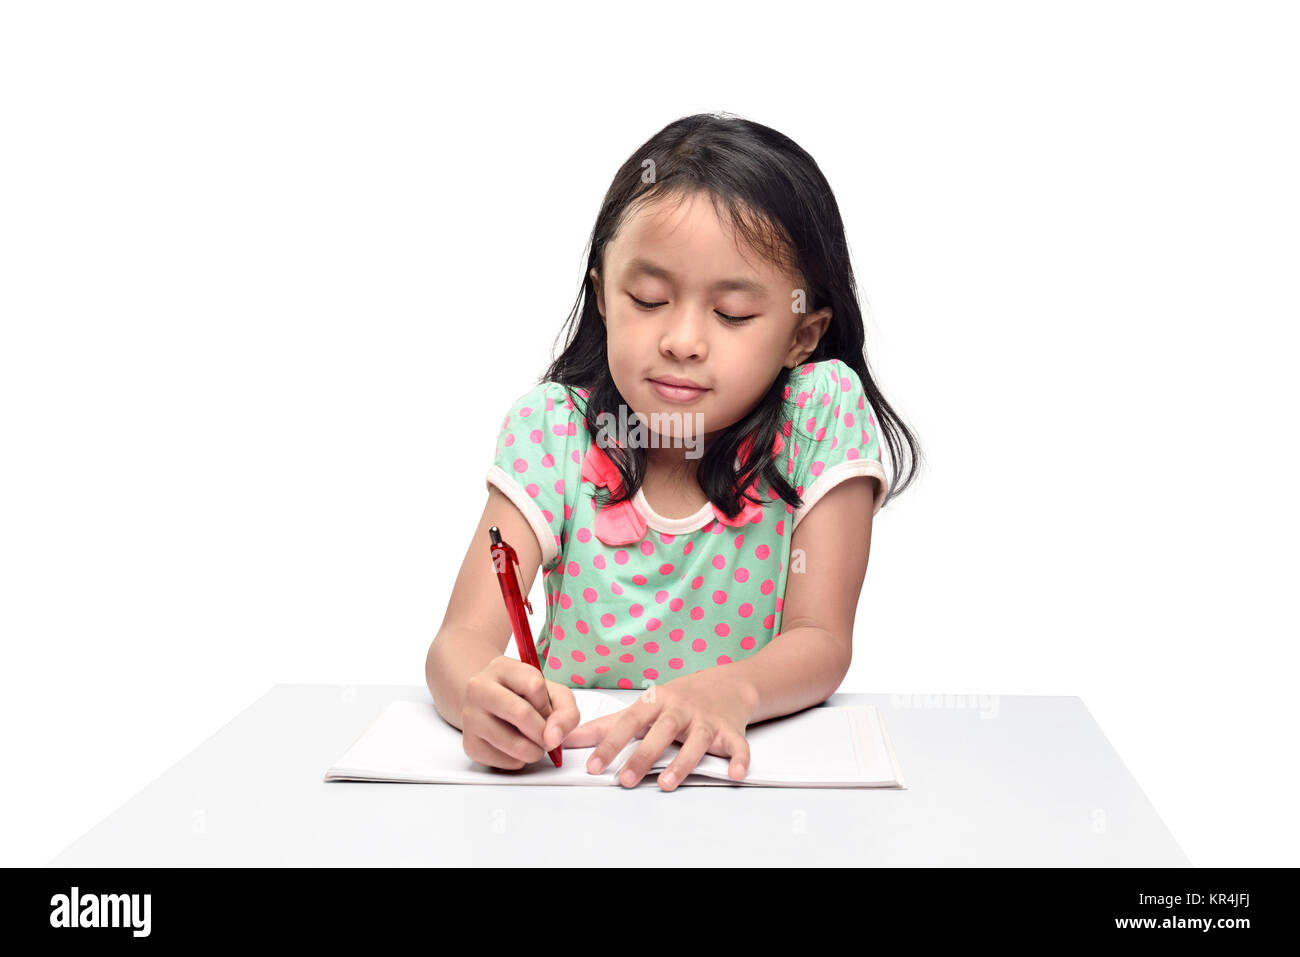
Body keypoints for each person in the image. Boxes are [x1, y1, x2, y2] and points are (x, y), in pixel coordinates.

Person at [426, 112, 921, 791]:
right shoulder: (554, 429)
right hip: (581, 791)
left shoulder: (819, 414)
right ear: (602, 296)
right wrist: (481, 693)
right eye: (649, 298)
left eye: (733, 314)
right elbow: (458, 642)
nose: (683, 339)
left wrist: (730, 692)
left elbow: (821, 637)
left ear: (801, 335)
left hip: (746, 790)